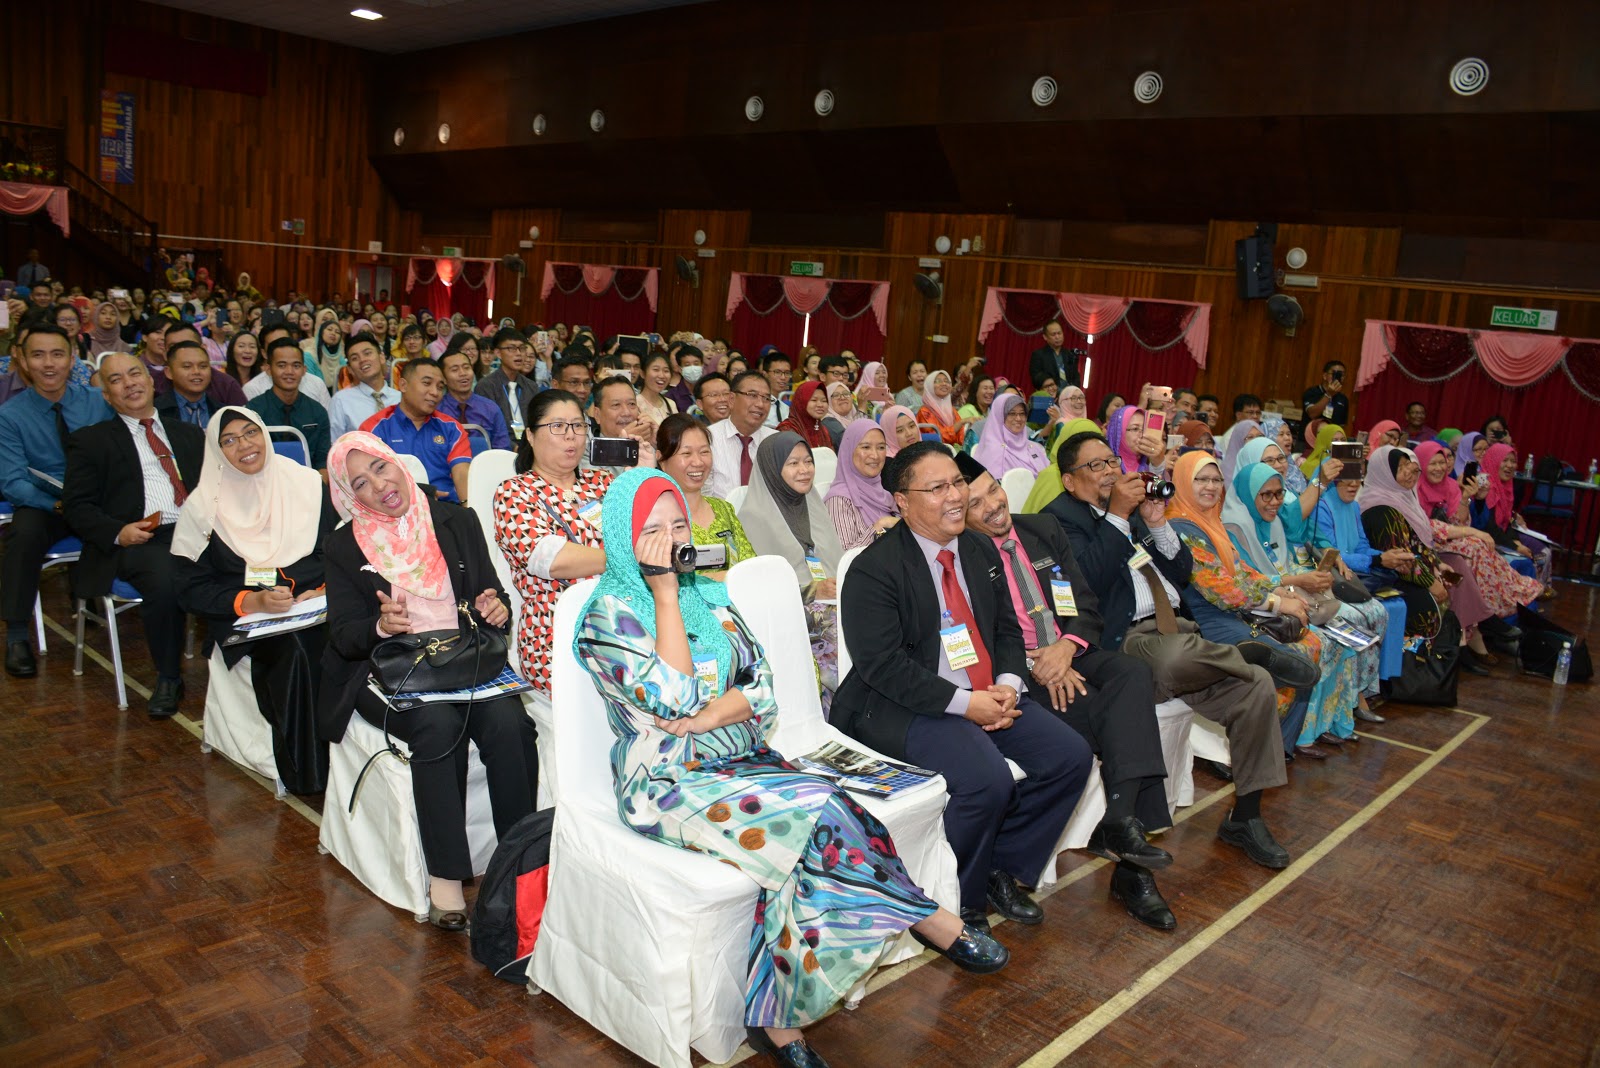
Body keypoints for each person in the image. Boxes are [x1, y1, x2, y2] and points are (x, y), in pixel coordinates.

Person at [575, 468, 1004, 1068]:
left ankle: (775, 1021)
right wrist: (665, 595)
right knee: (827, 813)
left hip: (742, 758)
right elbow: (671, 698)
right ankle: (930, 920)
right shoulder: (607, 617)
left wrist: (706, 715)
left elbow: (764, 690)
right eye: (650, 531)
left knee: (836, 821)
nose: (669, 540)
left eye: (677, 524)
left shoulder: (712, 596)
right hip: (669, 783)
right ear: (622, 539)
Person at [831, 442, 1092, 929]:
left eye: (956, 482)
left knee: (1068, 757)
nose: (955, 496)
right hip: (903, 704)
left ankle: (1001, 868)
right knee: (985, 781)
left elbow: (1006, 629)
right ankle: (961, 905)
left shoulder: (974, 547)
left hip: (987, 690)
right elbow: (882, 666)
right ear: (902, 501)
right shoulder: (874, 569)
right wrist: (965, 705)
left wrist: (1010, 684)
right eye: (936, 488)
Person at [956, 452, 1192, 927]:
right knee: (1118, 719)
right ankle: (1130, 861)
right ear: (958, 512)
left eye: (994, 490)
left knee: (1131, 675)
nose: (993, 506)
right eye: (975, 503)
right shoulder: (963, 554)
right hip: (1020, 673)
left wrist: (1065, 645)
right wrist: (1037, 663)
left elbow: (1084, 604)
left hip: (1074, 653)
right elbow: (983, 635)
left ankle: (1120, 822)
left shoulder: (1041, 529)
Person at [1043, 431, 1298, 857]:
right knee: (1180, 657)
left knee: (1256, 687)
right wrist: (1119, 519)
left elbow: (1181, 572)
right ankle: (1239, 655)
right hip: (1125, 639)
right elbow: (1081, 583)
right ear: (1069, 481)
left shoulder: (1131, 511)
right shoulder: (1058, 520)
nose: (1109, 472)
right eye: (1096, 466)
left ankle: (1246, 817)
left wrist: (1158, 524)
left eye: (1111, 462)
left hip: (1178, 632)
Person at [320, 432, 536, 932]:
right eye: (361, 482)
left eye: (380, 468)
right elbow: (344, 635)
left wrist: (494, 606)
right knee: (438, 728)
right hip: (394, 669)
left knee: (511, 725)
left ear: (396, 464)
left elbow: (492, 594)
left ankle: (518, 859)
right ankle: (446, 877)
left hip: (465, 661)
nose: (379, 485)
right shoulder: (342, 544)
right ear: (351, 495)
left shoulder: (457, 519)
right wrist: (379, 626)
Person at [171, 407, 335, 793]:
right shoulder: (202, 508)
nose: (244, 445)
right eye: (229, 440)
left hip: (315, 601)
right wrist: (253, 602)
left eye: (250, 433)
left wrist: (323, 589)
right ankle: (312, 770)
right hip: (246, 618)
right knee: (296, 649)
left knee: (354, 635)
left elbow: (335, 551)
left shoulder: (307, 484)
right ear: (216, 451)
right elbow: (190, 587)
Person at [1162, 452, 1339, 759]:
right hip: (1208, 621)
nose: (1211, 486)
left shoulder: (1211, 523)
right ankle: (1253, 751)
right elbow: (1221, 590)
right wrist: (1277, 604)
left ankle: (1278, 746)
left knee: (1310, 643)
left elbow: (1244, 573)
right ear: (1181, 482)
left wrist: (1285, 592)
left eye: (1216, 479)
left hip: (1239, 614)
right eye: (1200, 479)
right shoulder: (1180, 527)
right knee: (1294, 662)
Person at [62, 353, 203, 716]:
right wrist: (117, 531)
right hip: (141, 538)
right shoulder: (90, 441)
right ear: (107, 396)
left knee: (254, 563)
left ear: (153, 381)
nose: (130, 383)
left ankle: (241, 664)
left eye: (135, 373)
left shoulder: (189, 434)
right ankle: (169, 677)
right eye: (116, 379)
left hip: (198, 531)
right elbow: (76, 507)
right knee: (167, 578)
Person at [1225, 459, 1389, 732]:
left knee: (1342, 639)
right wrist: (1297, 582)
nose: (1275, 502)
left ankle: (1328, 724)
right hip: (1257, 611)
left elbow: (1286, 562)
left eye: (1279, 494)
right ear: (1248, 494)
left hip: (1288, 601)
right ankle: (1302, 733)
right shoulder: (1234, 528)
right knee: (1321, 642)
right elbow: (1246, 583)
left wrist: (1304, 582)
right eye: (1265, 495)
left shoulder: (1274, 522)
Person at [0, 326, 115, 677]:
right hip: (48, 505)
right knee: (24, 534)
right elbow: (13, 482)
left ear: (72, 359)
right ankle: (18, 634)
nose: (49, 364)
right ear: (21, 359)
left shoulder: (98, 402)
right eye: (38, 355)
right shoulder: (10, 415)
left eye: (57, 354)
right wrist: (60, 506)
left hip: (96, 502)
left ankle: (97, 589)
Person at [1356, 445, 1526, 671]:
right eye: (1401, 468)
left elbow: (1416, 542)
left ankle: (1462, 644)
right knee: (1441, 589)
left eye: (1411, 467)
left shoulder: (1403, 498)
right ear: (1385, 473)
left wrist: (1437, 564)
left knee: (1456, 575)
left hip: (1418, 565)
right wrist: (1431, 581)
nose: (1409, 473)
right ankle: (1453, 651)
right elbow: (1402, 559)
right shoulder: (1380, 508)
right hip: (1390, 576)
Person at [492, 389, 611, 696]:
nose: (570, 436)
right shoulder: (514, 493)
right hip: (557, 630)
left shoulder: (605, 482)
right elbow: (550, 559)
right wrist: (626, 557)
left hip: (623, 618)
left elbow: (649, 535)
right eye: (557, 426)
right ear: (530, 435)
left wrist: (644, 472)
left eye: (578, 426)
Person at [737, 432, 846, 706]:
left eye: (808, 462)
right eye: (793, 463)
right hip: (789, 614)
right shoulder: (753, 517)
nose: (804, 471)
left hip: (832, 600)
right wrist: (812, 590)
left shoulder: (812, 503)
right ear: (773, 470)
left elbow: (835, 560)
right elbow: (759, 590)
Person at [1311, 472, 1411, 698]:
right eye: (1348, 478)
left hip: (1358, 574)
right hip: (1338, 577)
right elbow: (1332, 552)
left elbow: (1362, 547)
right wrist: (1376, 560)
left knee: (1397, 605)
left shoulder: (1354, 508)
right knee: (1379, 609)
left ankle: (1382, 681)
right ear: (1334, 479)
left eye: (1358, 478)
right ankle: (1357, 690)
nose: (1354, 484)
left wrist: (1388, 556)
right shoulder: (1322, 507)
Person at [360, 357, 472, 504]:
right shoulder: (374, 429)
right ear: (403, 385)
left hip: (446, 510)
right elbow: (368, 481)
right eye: (427, 383)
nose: (435, 392)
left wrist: (468, 510)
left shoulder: (452, 428)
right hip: (396, 510)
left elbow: (462, 474)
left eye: (440, 387)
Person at [656, 413, 754, 578]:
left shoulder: (723, 508)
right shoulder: (655, 518)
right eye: (686, 454)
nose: (698, 462)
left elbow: (750, 564)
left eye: (704, 452)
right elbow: (664, 579)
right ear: (662, 461)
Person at [246, 339, 331, 472]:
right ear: (268, 369)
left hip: (308, 483)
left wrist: (315, 490)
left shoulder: (317, 412)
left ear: (304, 370)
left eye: (296, 366)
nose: (289, 371)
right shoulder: (253, 410)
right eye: (281, 365)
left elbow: (322, 462)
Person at [1472, 443, 1551, 585]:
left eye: (1513, 461)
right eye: (1505, 460)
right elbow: (1489, 528)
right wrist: (1516, 546)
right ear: (1494, 461)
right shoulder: (1486, 488)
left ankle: (1533, 594)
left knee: (1544, 551)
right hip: (1485, 540)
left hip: (1501, 537)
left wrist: (1516, 542)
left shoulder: (1506, 488)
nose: (1510, 465)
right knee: (1532, 557)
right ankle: (1527, 596)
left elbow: (1506, 522)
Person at [824, 420, 899, 550]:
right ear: (849, 450)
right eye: (865, 447)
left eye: (881, 447)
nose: (875, 455)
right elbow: (844, 557)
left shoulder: (886, 496)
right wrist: (879, 527)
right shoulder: (839, 500)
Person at [705, 370, 776, 499]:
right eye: (752, 395)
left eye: (766, 398)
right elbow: (703, 498)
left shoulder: (776, 441)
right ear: (731, 399)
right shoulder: (708, 439)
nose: (760, 404)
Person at [438, 343, 511, 454]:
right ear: (443, 379)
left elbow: (502, 450)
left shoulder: (490, 408)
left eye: (466, 368)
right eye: (454, 370)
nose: (463, 373)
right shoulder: (437, 410)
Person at [154, 340, 244, 429]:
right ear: (169, 372)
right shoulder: (156, 411)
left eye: (203, 366)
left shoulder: (223, 412)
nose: (196, 372)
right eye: (187, 366)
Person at [328, 332, 401, 440]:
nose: (362, 360)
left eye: (367, 353)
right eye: (355, 358)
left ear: (381, 357)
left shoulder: (401, 398)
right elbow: (335, 446)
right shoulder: (341, 401)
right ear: (350, 370)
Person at [588, 376, 660, 474]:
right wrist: (621, 445)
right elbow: (606, 487)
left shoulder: (646, 447)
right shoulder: (588, 451)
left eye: (631, 404)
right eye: (616, 405)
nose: (626, 412)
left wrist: (658, 444)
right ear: (597, 414)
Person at [474, 327, 536, 440]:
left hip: (530, 446)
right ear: (498, 353)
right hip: (499, 449)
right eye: (512, 348)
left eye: (522, 348)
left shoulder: (531, 387)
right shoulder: (486, 387)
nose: (518, 353)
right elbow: (487, 430)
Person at [971, 393, 1048, 481]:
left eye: (1022, 413)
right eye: (1012, 413)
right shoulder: (994, 452)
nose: (1018, 418)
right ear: (999, 417)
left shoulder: (1033, 447)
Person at [775, 380, 832, 451]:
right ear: (801, 402)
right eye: (814, 400)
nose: (820, 405)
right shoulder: (787, 429)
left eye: (824, 401)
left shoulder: (823, 430)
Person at [916, 369, 966, 445]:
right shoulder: (925, 411)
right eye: (938, 381)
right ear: (929, 386)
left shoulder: (952, 410)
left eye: (947, 381)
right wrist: (960, 423)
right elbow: (936, 438)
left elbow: (961, 438)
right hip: (931, 452)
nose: (944, 384)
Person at [1029, 321, 1081, 390]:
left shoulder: (1069, 355)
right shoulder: (1039, 355)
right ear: (1045, 337)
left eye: (1059, 333)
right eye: (1053, 334)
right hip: (1049, 394)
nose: (1057, 337)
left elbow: (1076, 378)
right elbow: (1036, 379)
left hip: (1068, 396)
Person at [635, 351, 677, 431]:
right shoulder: (634, 404)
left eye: (666, 371)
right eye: (656, 370)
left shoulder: (671, 404)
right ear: (642, 373)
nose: (661, 375)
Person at [1302, 360, 1350, 429]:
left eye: (1341, 375)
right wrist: (1329, 395)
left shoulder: (1343, 399)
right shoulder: (1312, 392)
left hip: (1331, 438)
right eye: (1334, 373)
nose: (1338, 377)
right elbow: (1312, 414)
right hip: (1310, 438)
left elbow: (1341, 425)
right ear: (1325, 376)